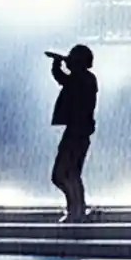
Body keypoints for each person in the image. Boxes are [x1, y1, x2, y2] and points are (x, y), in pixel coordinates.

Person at [46, 45, 97, 222]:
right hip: (77, 132)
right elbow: (64, 79)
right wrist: (58, 64)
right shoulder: (84, 79)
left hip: (77, 133)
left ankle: (76, 210)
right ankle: (76, 209)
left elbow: (65, 80)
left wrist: (59, 63)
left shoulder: (83, 80)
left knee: (65, 173)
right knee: (68, 174)